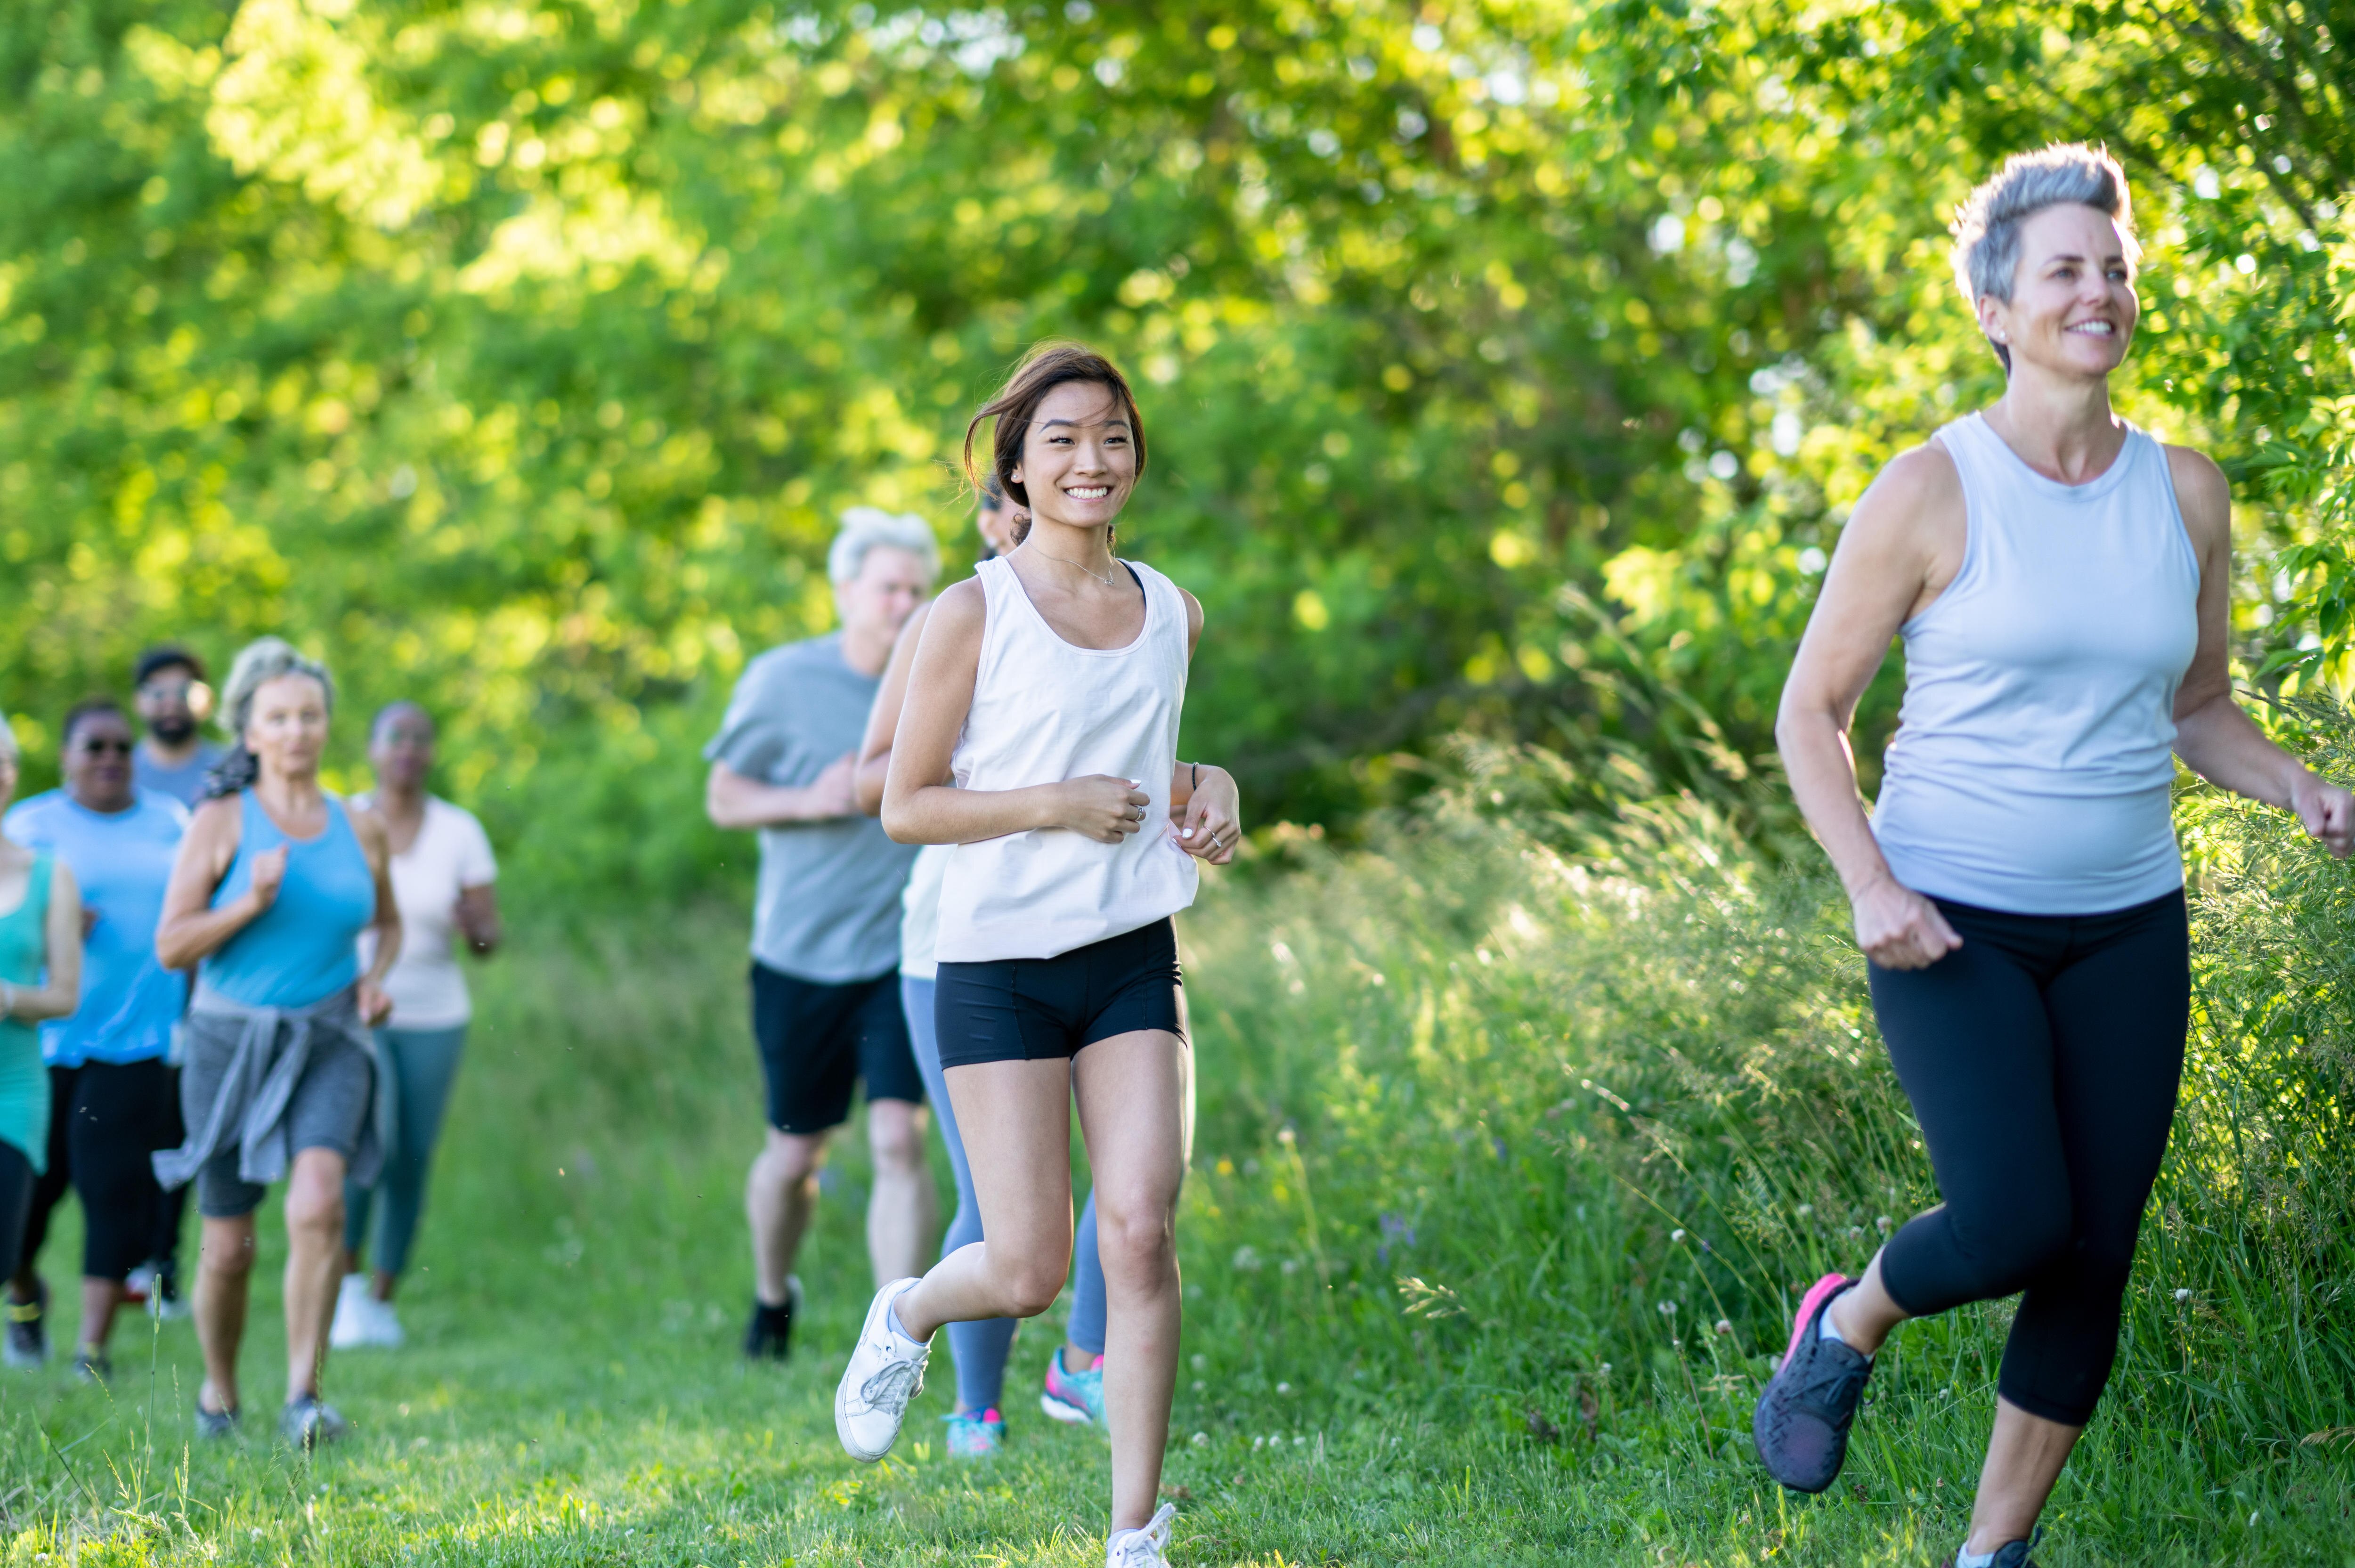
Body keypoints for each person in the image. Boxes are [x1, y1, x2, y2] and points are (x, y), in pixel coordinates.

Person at [1758, 144, 2355, 1568]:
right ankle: (1845, 1317)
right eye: (2063, 270)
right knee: (2018, 1216)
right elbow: (1808, 710)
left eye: (2113, 268)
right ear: (1994, 308)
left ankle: (1989, 1552)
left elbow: (2194, 704)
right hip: (1946, 917)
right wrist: (1868, 883)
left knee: (2095, 1248)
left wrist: (2297, 785)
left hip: (2128, 921)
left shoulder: (2185, 491)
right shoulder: (1928, 487)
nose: (2098, 290)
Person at [832, 343, 1242, 1568]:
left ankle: (1135, 1532)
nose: (1092, 460)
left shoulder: (1172, 609)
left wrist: (1212, 787)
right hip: (997, 968)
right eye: (1062, 439)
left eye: (1112, 437)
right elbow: (903, 802)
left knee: (1140, 1230)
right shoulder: (970, 612)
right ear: (1017, 462)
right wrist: (1051, 805)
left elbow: (1150, 763)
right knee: (1022, 1267)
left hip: (1129, 954)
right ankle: (905, 1310)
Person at [854, 478, 1112, 1459]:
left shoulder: (1113, 609)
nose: (1028, 525)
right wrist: (1016, 777)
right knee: (987, 1186)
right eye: (1010, 508)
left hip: (1093, 923)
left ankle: (1079, 1363)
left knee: (1133, 1172)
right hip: (957, 941)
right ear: (990, 517)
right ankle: (974, 1404)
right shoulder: (950, 616)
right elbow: (869, 775)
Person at [705, 509, 941, 1361]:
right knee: (795, 1152)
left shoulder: (940, 675)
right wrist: (812, 797)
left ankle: (893, 1338)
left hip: (902, 951)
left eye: (917, 590)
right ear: (846, 591)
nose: (903, 604)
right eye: (888, 587)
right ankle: (773, 1296)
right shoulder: (781, 680)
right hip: (799, 957)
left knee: (896, 1137)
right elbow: (724, 798)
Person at [153, 639, 400, 1446]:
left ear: (327, 726)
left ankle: (305, 1394)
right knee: (229, 1244)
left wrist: (375, 976)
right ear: (251, 732)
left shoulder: (360, 825)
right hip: (230, 1044)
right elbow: (174, 943)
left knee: (321, 1203)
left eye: (310, 715)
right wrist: (249, 903)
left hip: (331, 1034)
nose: (297, 730)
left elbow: (387, 924)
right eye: (279, 717)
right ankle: (220, 1393)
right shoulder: (221, 820)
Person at [2, 699, 188, 1380]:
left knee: (113, 1194)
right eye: (94, 747)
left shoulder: (170, 823)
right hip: (39, 1044)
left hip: (136, 1040)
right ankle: (25, 1300)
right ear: (66, 756)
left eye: (121, 747)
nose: (110, 758)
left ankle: (92, 1351)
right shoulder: (30, 825)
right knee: (28, 1202)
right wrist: (56, 930)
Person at [331, 702, 500, 1351]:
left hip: (437, 1012)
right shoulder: (344, 819)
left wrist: (477, 929)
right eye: (394, 736)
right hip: (358, 1008)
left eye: (420, 739)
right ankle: (345, 1292)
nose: (407, 748)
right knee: (370, 1137)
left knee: (411, 1155)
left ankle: (382, 1297)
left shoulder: (460, 831)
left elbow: (489, 938)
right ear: (373, 748)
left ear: (432, 753)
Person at [127, 643, 219, 1320]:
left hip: (201, 981)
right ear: (140, 703)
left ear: (203, 699)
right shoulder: (116, 768)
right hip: (122, 985)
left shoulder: (224, 770)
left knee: (177, 1124)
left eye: (180, 691)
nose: (168, 703)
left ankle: (165, 1264)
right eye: (155, 692)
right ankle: (121, 1257)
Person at [0, 712, 84, 1369]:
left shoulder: (48, 874)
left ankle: (26, 1294)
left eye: (3, 762)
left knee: (5, 1249)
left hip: (15, 1086)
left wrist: (8, 998)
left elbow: (64, 994)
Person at [131, 647, 225, 809]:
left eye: (184, 693)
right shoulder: (121, 774)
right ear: (139, 701)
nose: (172, 704)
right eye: (159, 694)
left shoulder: (226, 770)